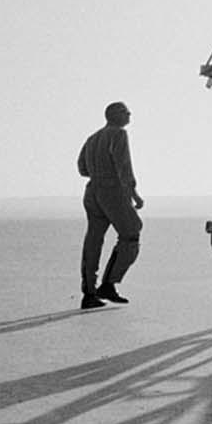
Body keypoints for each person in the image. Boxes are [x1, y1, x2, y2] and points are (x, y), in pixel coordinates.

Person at [77, 101, 144, 309]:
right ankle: (108, 283)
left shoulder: (93, 138)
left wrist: (98, 169)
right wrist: (134, 194)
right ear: (115, 115)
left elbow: (82, 168)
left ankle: (89, 292)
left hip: (92, 191)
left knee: (94, 240)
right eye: (126, 112)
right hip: (111, 191)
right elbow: (123, 166)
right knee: (132, 232)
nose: (129, 115)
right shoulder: (118, 134)